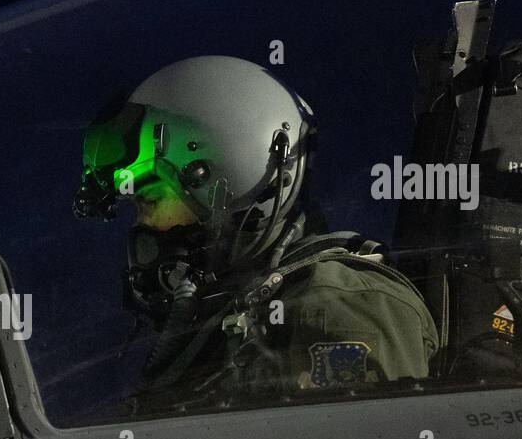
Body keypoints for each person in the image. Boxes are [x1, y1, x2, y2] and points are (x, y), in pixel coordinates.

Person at [73, 56, 438, 411]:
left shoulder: (335, 307)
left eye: (149, 201)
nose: (144, 231)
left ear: (226, 182)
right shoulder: (227, 314)